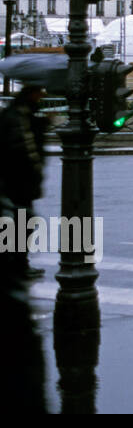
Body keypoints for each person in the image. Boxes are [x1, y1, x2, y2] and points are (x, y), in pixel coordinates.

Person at [0, 82, 51, 280]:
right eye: (40, 92)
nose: (42, 95)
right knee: (23, 222)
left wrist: (43, 124)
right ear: (31, 93)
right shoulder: (18, 116)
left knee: (19, 222)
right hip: (17, 181)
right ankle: (17, 265)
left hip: (15, 181)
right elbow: (24, 147)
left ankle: (15, 263)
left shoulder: (20, 113)